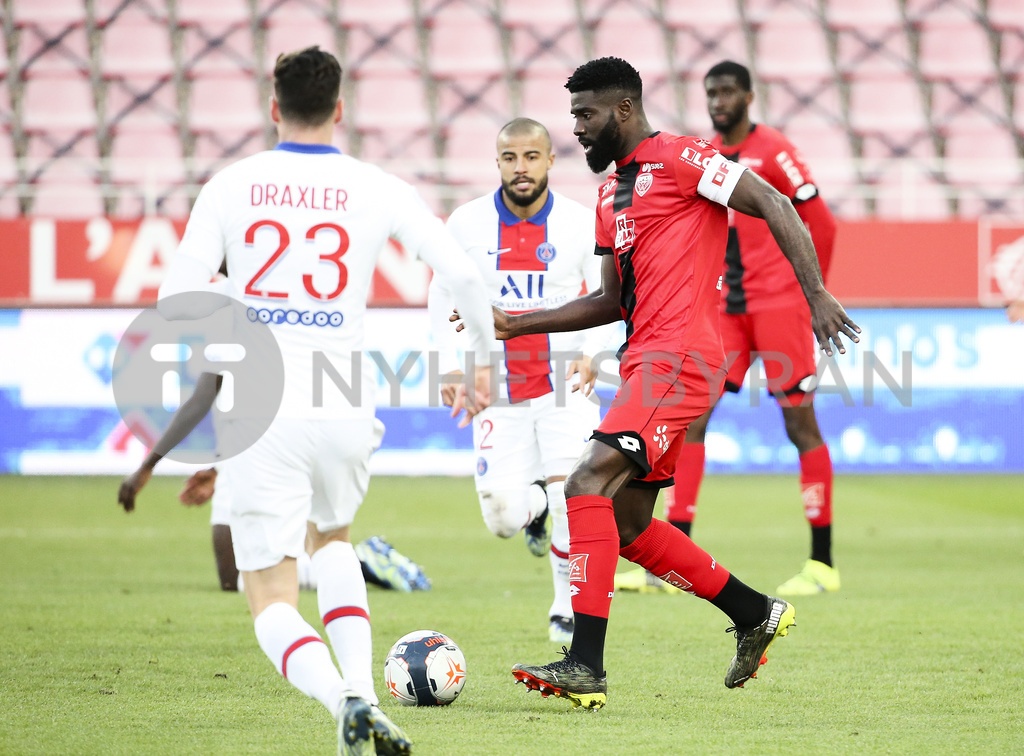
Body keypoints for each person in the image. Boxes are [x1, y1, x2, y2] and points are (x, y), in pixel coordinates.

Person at [471, 57, 858, 711]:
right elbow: (608, 301)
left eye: (585, 115)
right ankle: (754, 610)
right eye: (573, 117)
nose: (578, 130)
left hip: (680, 359)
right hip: (646, 360)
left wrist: (814, 291)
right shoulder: (607, 196)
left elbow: (773, 201)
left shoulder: (682, 159)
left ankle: (584, 663)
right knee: (625, 524)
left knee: (583, 481)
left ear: (623, 109)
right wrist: (516, 325)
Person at [154, 46, 495, 754]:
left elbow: (175, 303)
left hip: (263, 401)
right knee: (332, 538)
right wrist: (478, 363)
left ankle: (341, 700)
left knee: (271, 595)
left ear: (273, 107)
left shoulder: (232, 184)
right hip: (343, 395)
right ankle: (366, 698)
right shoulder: (376, 186)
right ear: (340, 109)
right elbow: (462, 274)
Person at [615, 59, 841, 597]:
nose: (718, 101)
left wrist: (814, 294)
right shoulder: (706, 154)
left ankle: (823, 563)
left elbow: (821, 221)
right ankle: (671, 553)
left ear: (748, 96)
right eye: (710, 92)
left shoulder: (775, 149)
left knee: (799, 425)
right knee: (691, 418)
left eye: (727, 92)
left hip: (780, 307)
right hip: (729, 311)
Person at [428, 117, 616, 644]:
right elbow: (441, 296)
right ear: (498, 162)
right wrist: (450, 364)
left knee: (573, 497)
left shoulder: (581, 223)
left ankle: (563, 607)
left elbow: (614, 295)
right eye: (510, 158)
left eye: (531, 157)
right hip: (498, 386)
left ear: (551, 160)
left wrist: (594, 354)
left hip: (563, 382)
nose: (521, 168)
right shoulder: (465, 224)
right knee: (504, 519)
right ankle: (535, 500)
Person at [117, 372, 432, 594]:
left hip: (279, 446)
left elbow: (201, 399)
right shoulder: (237, 299)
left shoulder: (240, 303)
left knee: (255, 573)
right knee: (232, 577)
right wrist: (219, 469)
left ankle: (360, 562)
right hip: (241, 450)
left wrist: (147, 465)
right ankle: (351, 562)